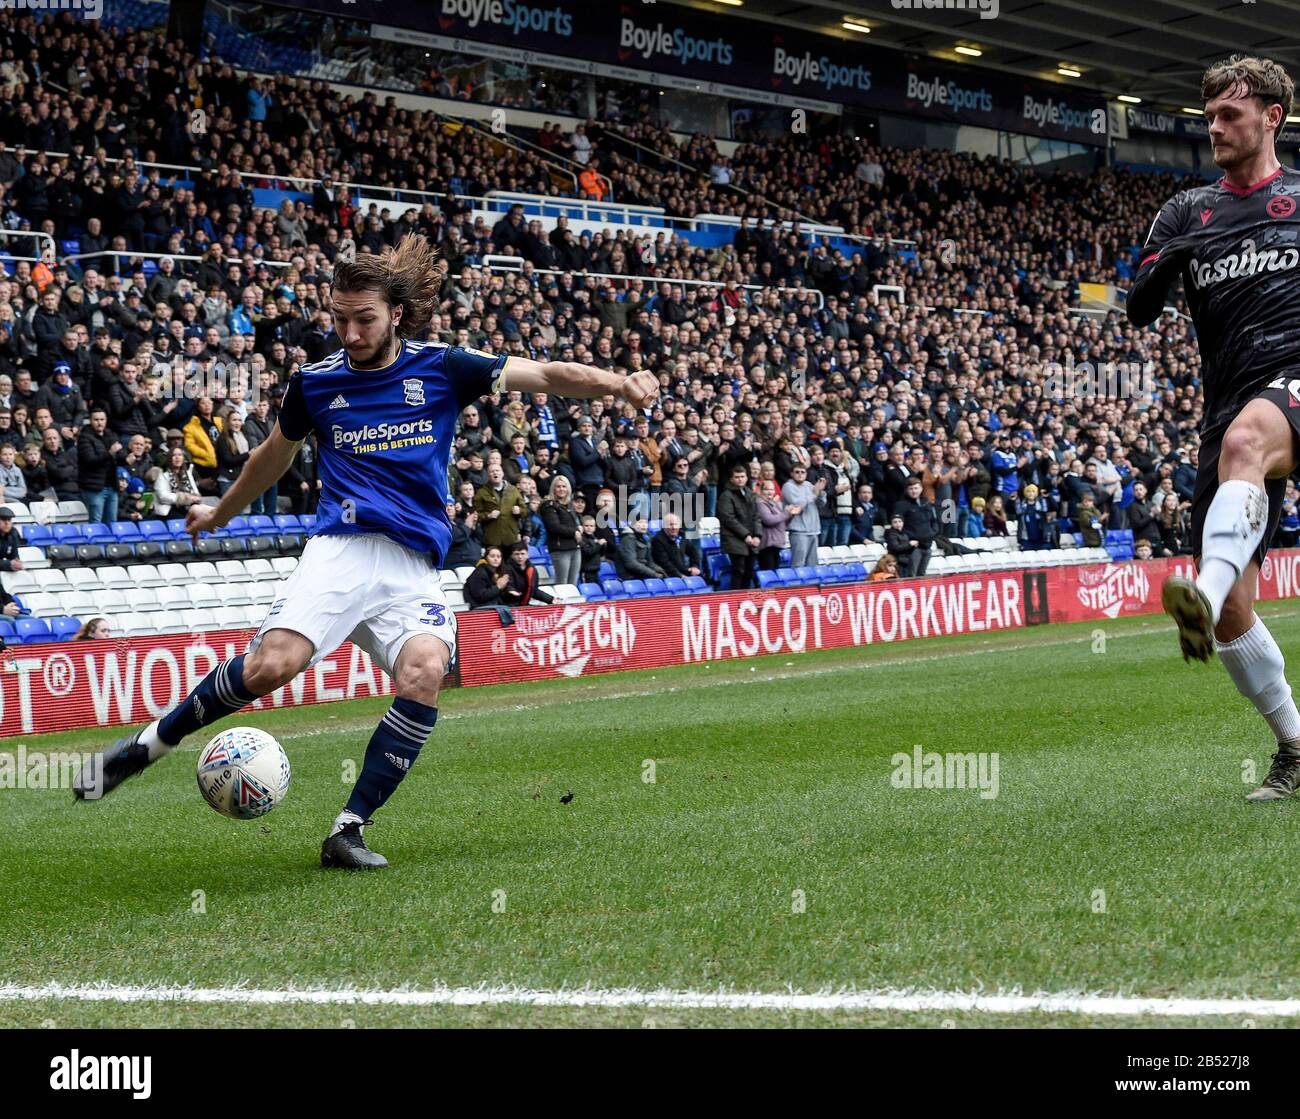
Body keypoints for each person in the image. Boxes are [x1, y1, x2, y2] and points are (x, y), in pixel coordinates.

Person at [73, 236, 659, 869]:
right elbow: (276, 453)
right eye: (340, 317)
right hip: (342, 549)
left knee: (426, 671)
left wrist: (620, 384)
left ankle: (348, 830)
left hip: (412, 566)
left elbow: (545, 375)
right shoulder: (318, 383)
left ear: (396, 315)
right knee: (271, 666)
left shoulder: (443, 368)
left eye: (364, 319)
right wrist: (220, 511)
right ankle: (146, 747)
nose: (349, 332)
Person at [1129, 55, 1300, 799]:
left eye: (1231, 115)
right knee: (1234, 614)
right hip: (1228, 398)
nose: (1216, 129)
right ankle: (1295, 747)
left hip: (1291, 376)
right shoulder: (1186, 211)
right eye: (1209, 118)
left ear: (1273, 116)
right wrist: (1168, 262)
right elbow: (1137, 306)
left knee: (1245, 443)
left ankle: (1198, 583)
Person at [717, 463, 760, 590]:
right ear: (731, 479)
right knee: (738, 571)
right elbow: (728, 519)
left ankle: (745, 601)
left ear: (747, 477)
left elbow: (757, 516)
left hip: (751, 540)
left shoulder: (750, 493)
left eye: (742, 476)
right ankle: (735, 601)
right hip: (734, 540)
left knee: (749, 572)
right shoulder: (726, 496)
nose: (740, 479)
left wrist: (757, 535)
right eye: (737, 477)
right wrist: (745, 535)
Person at [539, 475, 582, 586]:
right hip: (560, 549)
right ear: (553, 488)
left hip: (575, 548)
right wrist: (574, 532)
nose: (561, 489)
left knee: (573, 584)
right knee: (562, 583)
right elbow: (554, 527)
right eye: (558, 486)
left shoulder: (569, 505)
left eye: (564, 486)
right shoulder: (548, 505)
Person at [894, 476, 938, 576]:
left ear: (921, 489)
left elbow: (934, 521)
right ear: (906, 490)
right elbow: (897, 525)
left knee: (922, 574)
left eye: (916, 488)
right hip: (913, 548)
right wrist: (910, 540)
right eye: (911, 489)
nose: (914, 491)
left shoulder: (926, 503)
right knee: (911, 575)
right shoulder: (901, 505)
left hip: (927, 545)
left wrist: (933, 533)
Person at [781, 461, 821, 568]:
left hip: (814, 529)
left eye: (803, 472)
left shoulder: (809, 485)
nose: (800, 474)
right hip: (798, 531)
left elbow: (821, 504)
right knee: (799, 563)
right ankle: (797, 585)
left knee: (813, 564)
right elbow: (797, 503)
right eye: (797, 472)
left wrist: (821, 492)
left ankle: (812, 585)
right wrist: (813, 494)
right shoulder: (788, 486)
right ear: (791, 474)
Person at [154, 446, 203, 520]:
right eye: (174, 455)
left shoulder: (188, 474)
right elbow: (162, 497)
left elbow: (195, 491)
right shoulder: (163, 475)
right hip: (170, 510)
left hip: (188, 508)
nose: (177, 457)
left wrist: (195, 497)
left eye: (180, 455)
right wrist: (183, 498)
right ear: (169, 459)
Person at [650, 512, 702, 579]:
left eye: (676, 524)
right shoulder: (657, 540)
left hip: (682, 570)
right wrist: (680, 575)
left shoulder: (681, 535)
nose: (674, 527)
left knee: (699, 576)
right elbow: (664, 563)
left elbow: (693, 552)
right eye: (670, 524)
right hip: (668, 574)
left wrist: (694, 566)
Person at [504, 539, 555, 606]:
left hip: (523, 605)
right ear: (511, 555)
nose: (520, 557)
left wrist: (551, 599)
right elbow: (508, 586)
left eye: (522, 554)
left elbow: (534, 590)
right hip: (509, 605)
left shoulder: (532, 569)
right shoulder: (506, 569)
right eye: (516, 554)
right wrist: (510, 591)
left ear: (527, 555)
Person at [616, 514, 666, 580]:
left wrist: (661, 571)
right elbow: (631, 564)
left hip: (642, 575)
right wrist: (654, 574)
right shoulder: (628, 538)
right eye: (640, 522)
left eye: (646, 522)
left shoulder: (645, 539)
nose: (644, 525)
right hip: (631, 578)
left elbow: (650, 563)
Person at [755, 478, 790, 571]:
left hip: (776, 544)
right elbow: (768, 520)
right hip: (767, 545)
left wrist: (791, 515)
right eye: (766, 489)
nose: (770, 492)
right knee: (768, 571)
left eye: (772, 489)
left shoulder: (776, 504)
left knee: (775, 572)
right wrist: (786, 513)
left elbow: (783, 522)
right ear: (761, 491)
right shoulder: (760, 503)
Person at [0, 506, 24, 572]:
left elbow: (14, 555)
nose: (7, 523)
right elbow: (10, 563)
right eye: (3, 519)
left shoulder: (13, 533)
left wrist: (17, 563)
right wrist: (9, 564)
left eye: (9, 520)